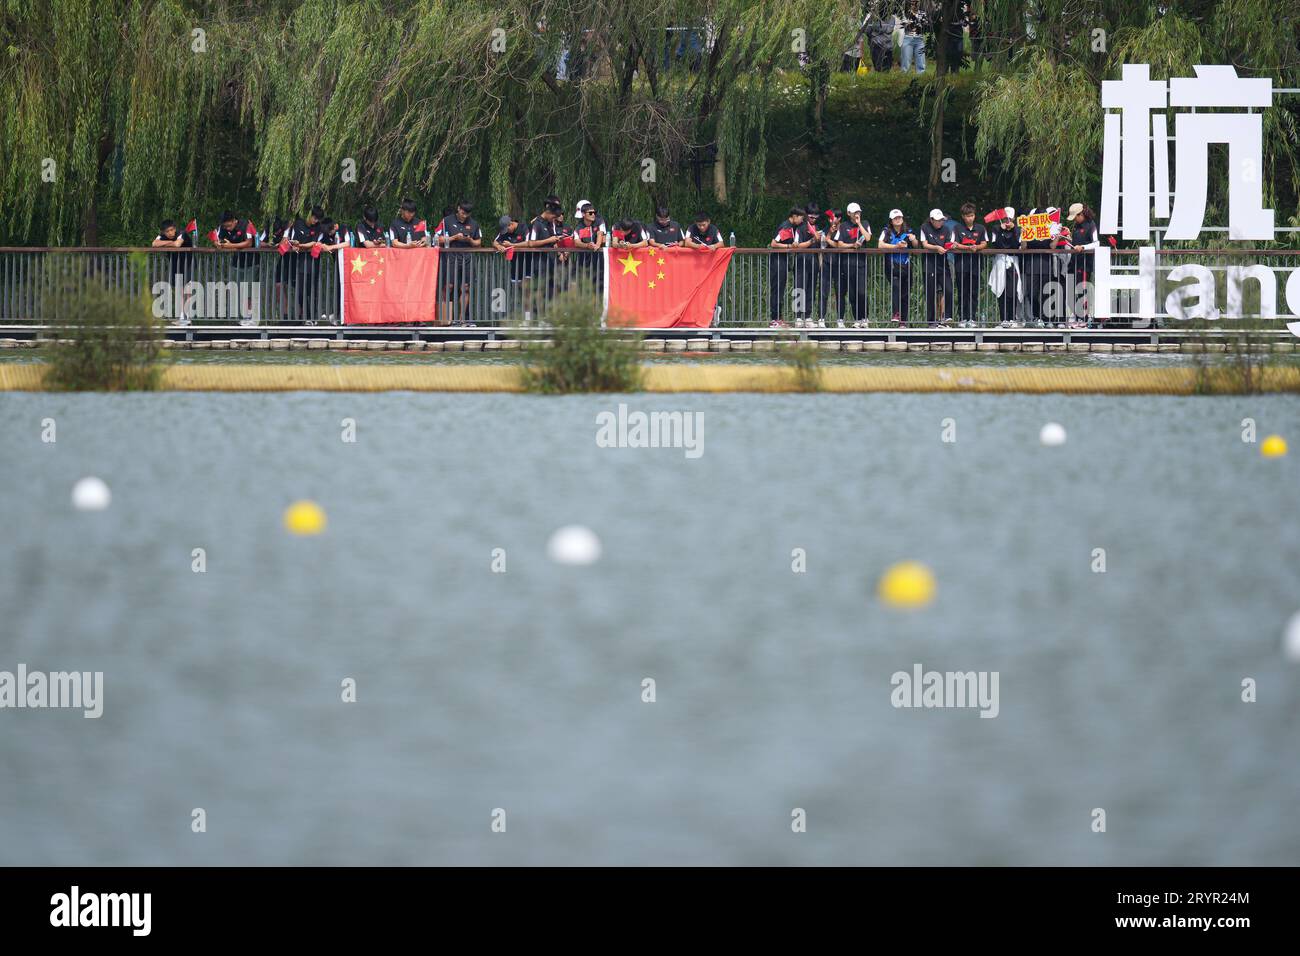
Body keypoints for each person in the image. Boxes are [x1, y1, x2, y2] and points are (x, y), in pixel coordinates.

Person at [436, 200, 482, 326]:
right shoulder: (446, 221)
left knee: (465, 287)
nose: (464, 215)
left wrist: (470, 240)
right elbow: (437, 239)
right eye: (462, 212)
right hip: (450, 257)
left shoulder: (474, 223)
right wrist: (453, 238)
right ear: (458, 209)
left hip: (467, 258)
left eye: (467, 213)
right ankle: (444, 318)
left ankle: (462, 319)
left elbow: (479, 243)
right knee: (448, 286)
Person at [768, 207, 813, 328]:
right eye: (800, 218)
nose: (802, 221)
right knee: (777, 290)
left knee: (780, 290)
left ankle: (778, 318)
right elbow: (773, 243)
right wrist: (789, 245)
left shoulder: (791, 227)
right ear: (794, 216)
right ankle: (774, 320)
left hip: (783, 261)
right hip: (778, 261)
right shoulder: (786, 227)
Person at [829, 202, 872, 327]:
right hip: (847, 264)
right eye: (854, 212)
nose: (857, 214)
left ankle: (865, 317)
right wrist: (852, 246)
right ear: (849, 213)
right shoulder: (843, 226)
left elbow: (868, 238)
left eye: (858, 212)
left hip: (861, 263)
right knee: (852, 294)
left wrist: (859, 224)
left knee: (862, 292)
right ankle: (857, 319)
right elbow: (839, 244)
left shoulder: (865, 223)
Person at [523, 199, 563, 324]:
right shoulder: (537, 224)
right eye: (554, 218)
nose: (554, 220)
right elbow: (530, 243)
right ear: (549, 214)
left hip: (551, 262)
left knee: (551, 290)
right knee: (539, 290)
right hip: (539, 263)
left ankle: (548, 317)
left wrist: (556, 242)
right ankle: (538, 318)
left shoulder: (551, 224)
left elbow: (552, 241)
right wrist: (548, 240)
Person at [1061, 202, 1098, 328]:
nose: (1075, 219)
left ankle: (1083, 318)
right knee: (1072, 290)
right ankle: (1075, 317)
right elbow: (1076, 243)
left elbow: (1096, 243)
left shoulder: (1091, 225)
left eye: (1076, 217)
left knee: (1082, 291)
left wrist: (1083, 247)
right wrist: (1066, 238)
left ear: (1081, 214)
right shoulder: (1076, 226)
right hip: (1074, 263)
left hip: (1084, 263)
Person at [950, 202, 987, 327]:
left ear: (974, 216)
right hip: (961, 265)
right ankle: (962, 318)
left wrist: (977, 247)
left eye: (971, 215)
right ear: (963, 216)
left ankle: (972, 318)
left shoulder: (980, 228)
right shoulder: (957, 228)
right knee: (962, 292)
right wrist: (967, 248)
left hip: (975, 265)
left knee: (973, 292)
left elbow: (984, 243)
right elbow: (954, 244)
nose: (969, 218)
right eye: (967, 216)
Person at [878, 209, 917, 326]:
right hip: (892, 266)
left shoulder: (908, 231)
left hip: (906, 266)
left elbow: (916, 246)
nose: (898, 219)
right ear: (891, 220)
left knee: (905, 294)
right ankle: (896, 313)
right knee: (896, 287)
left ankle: (903, 322)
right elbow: (880, 245)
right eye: (895, 218)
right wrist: (896, 246)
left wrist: (913, 239)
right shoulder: (886, 231)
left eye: (899, 217)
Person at [1019, 205, 1056, 328]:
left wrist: (1059, 235)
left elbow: (1052, 246)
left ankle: (1047, 319)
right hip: (1031, 266)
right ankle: (1036, 316)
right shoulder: (1029, 229)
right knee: (1032, 293)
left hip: (1046, 265)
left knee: (1047, 293)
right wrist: (1023, 233)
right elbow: (1023, 247)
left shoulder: (1049, 229)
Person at [151, 219, 194, 324]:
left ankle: (187, 317)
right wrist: (170, 242)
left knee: (187, 289)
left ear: (175, 228)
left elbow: (177, 245)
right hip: (175, 264)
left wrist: (166, 244)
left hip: (188, 263)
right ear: (163, 232)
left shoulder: (182, 233)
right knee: (179, 289)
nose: (170, 233)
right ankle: (181, 316)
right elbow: (154, 244)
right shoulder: (163, 236)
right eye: (167, 231)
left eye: (172, 230)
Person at [918, 207, 954, 326]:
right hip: (929, 264)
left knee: (948, 289)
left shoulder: (946, 229)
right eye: (938, 220)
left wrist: (950, 247)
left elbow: (948, 243)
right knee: (931, 292)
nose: (940, 222)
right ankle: (931, 321)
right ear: (931, 220)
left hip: (943, 263)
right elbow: (924, 244)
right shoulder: (924, 227)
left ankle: (947, 317)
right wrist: (936, 248)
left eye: (942, 220)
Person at [986, 207, 1021, 328]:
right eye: (1005, 219)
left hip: (1013, 262)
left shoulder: (1018, 229)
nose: (1007, 221)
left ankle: (1012, 318)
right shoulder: (996, 228)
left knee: (1012, 291)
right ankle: (1003, 319)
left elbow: (1017, 244)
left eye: (1009, 219)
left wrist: (1014, 229)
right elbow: (996, 245)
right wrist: (1001, 231)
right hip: (1000, 261)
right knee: (1001, 291)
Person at [899, 1, 932, 75]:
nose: (914, 4)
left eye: (916, 2)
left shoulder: (923, 13)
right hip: (908, 39)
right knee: (905, 63)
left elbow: (925, 26)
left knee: (921, 62)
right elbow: (905, 25)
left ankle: (921, 79)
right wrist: (916, 24)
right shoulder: (905, 14)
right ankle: (904, 79)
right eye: (912, 2)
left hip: (919, 40)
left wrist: (915, 24)